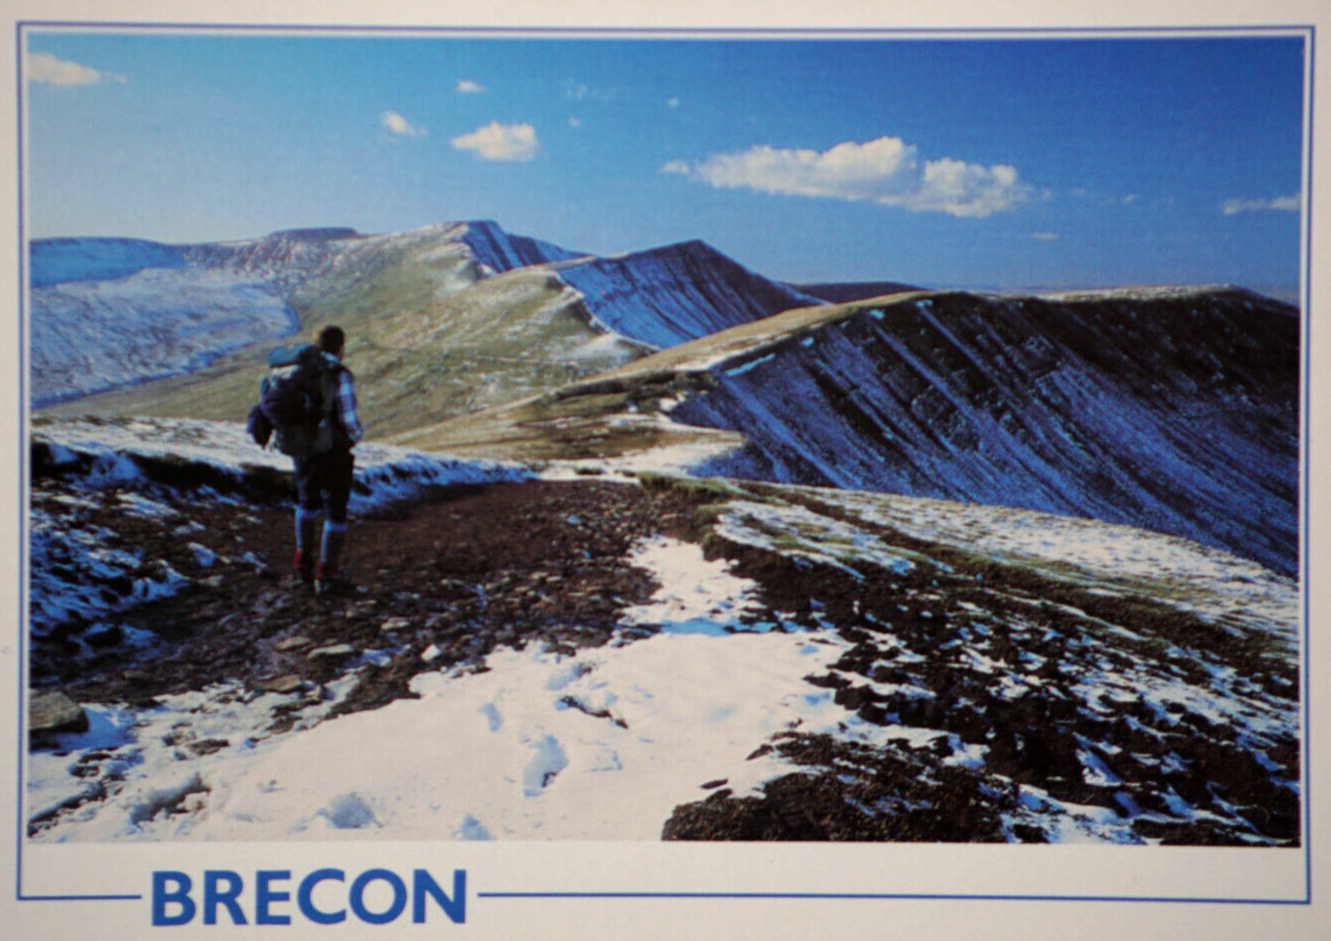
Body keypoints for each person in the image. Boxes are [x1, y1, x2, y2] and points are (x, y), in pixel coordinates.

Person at [291, 325, 364, 595]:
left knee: (306, 503)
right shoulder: (339, 374)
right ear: (340, 348)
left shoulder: (298, 370)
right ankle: (327, 574)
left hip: (302, 450)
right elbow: (349, 420)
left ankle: (302, 565)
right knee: (335, 511)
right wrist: (355, 437)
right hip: (333, 452)